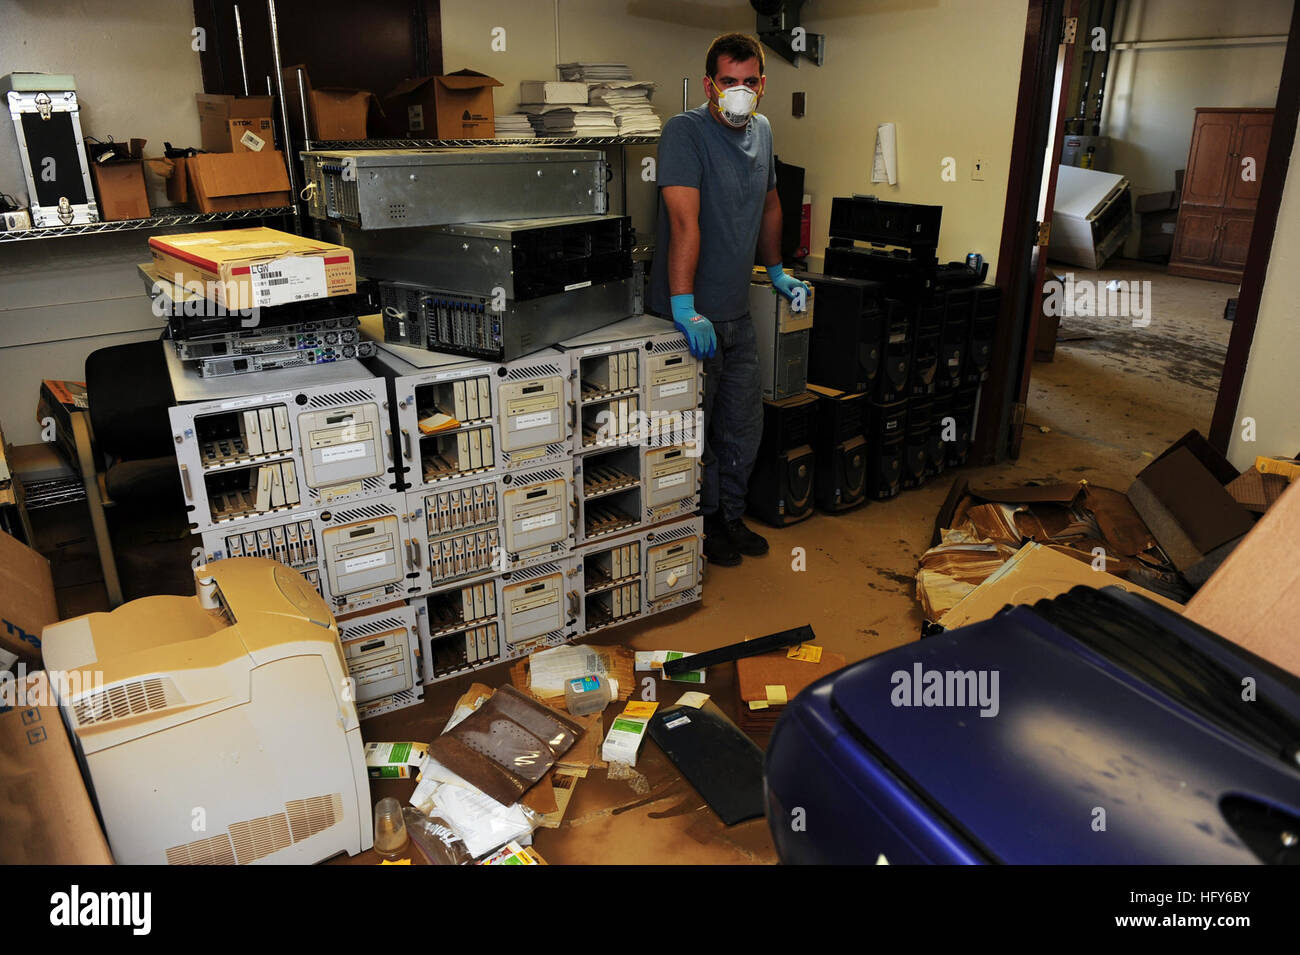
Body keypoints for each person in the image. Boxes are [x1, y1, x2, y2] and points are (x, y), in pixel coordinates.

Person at [648, 32, 810, 567]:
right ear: (708, 84)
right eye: (728, 82)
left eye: (748, 82)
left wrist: (778, 270)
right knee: (697, 429)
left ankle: (729, 518)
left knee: (743, 424)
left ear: (762, 85)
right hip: (691, 315)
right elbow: (683, 222)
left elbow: (769, 207)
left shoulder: (761, 130)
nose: (738, 92)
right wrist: (683, 304)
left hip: (736, 312)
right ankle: (701, 522)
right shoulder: (684, 132)